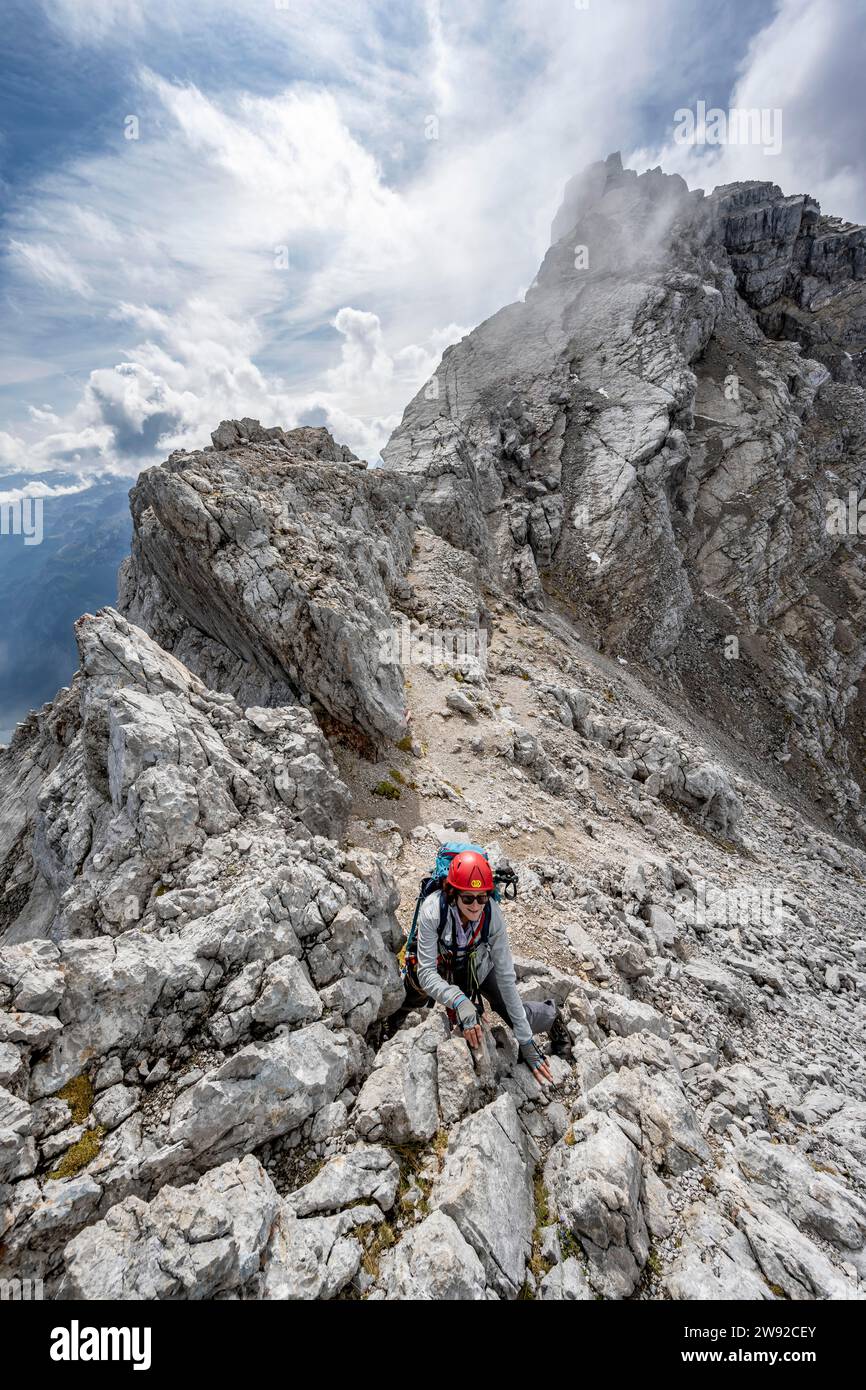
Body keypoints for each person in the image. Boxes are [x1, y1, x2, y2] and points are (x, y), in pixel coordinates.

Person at [391, 849, 571, 1085]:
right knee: (413, 993)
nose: (475, 905)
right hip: (441, 964)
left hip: (477, 966)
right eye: (467, 898)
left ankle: (550, 1017)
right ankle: (391, 1027)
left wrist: (525, 1040)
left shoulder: (492, 914)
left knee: (512, 1009)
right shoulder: (433, 911)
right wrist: (459, 1000)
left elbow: (506, 976)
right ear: (452, 893)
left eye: (482, 897)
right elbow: (426, 972)